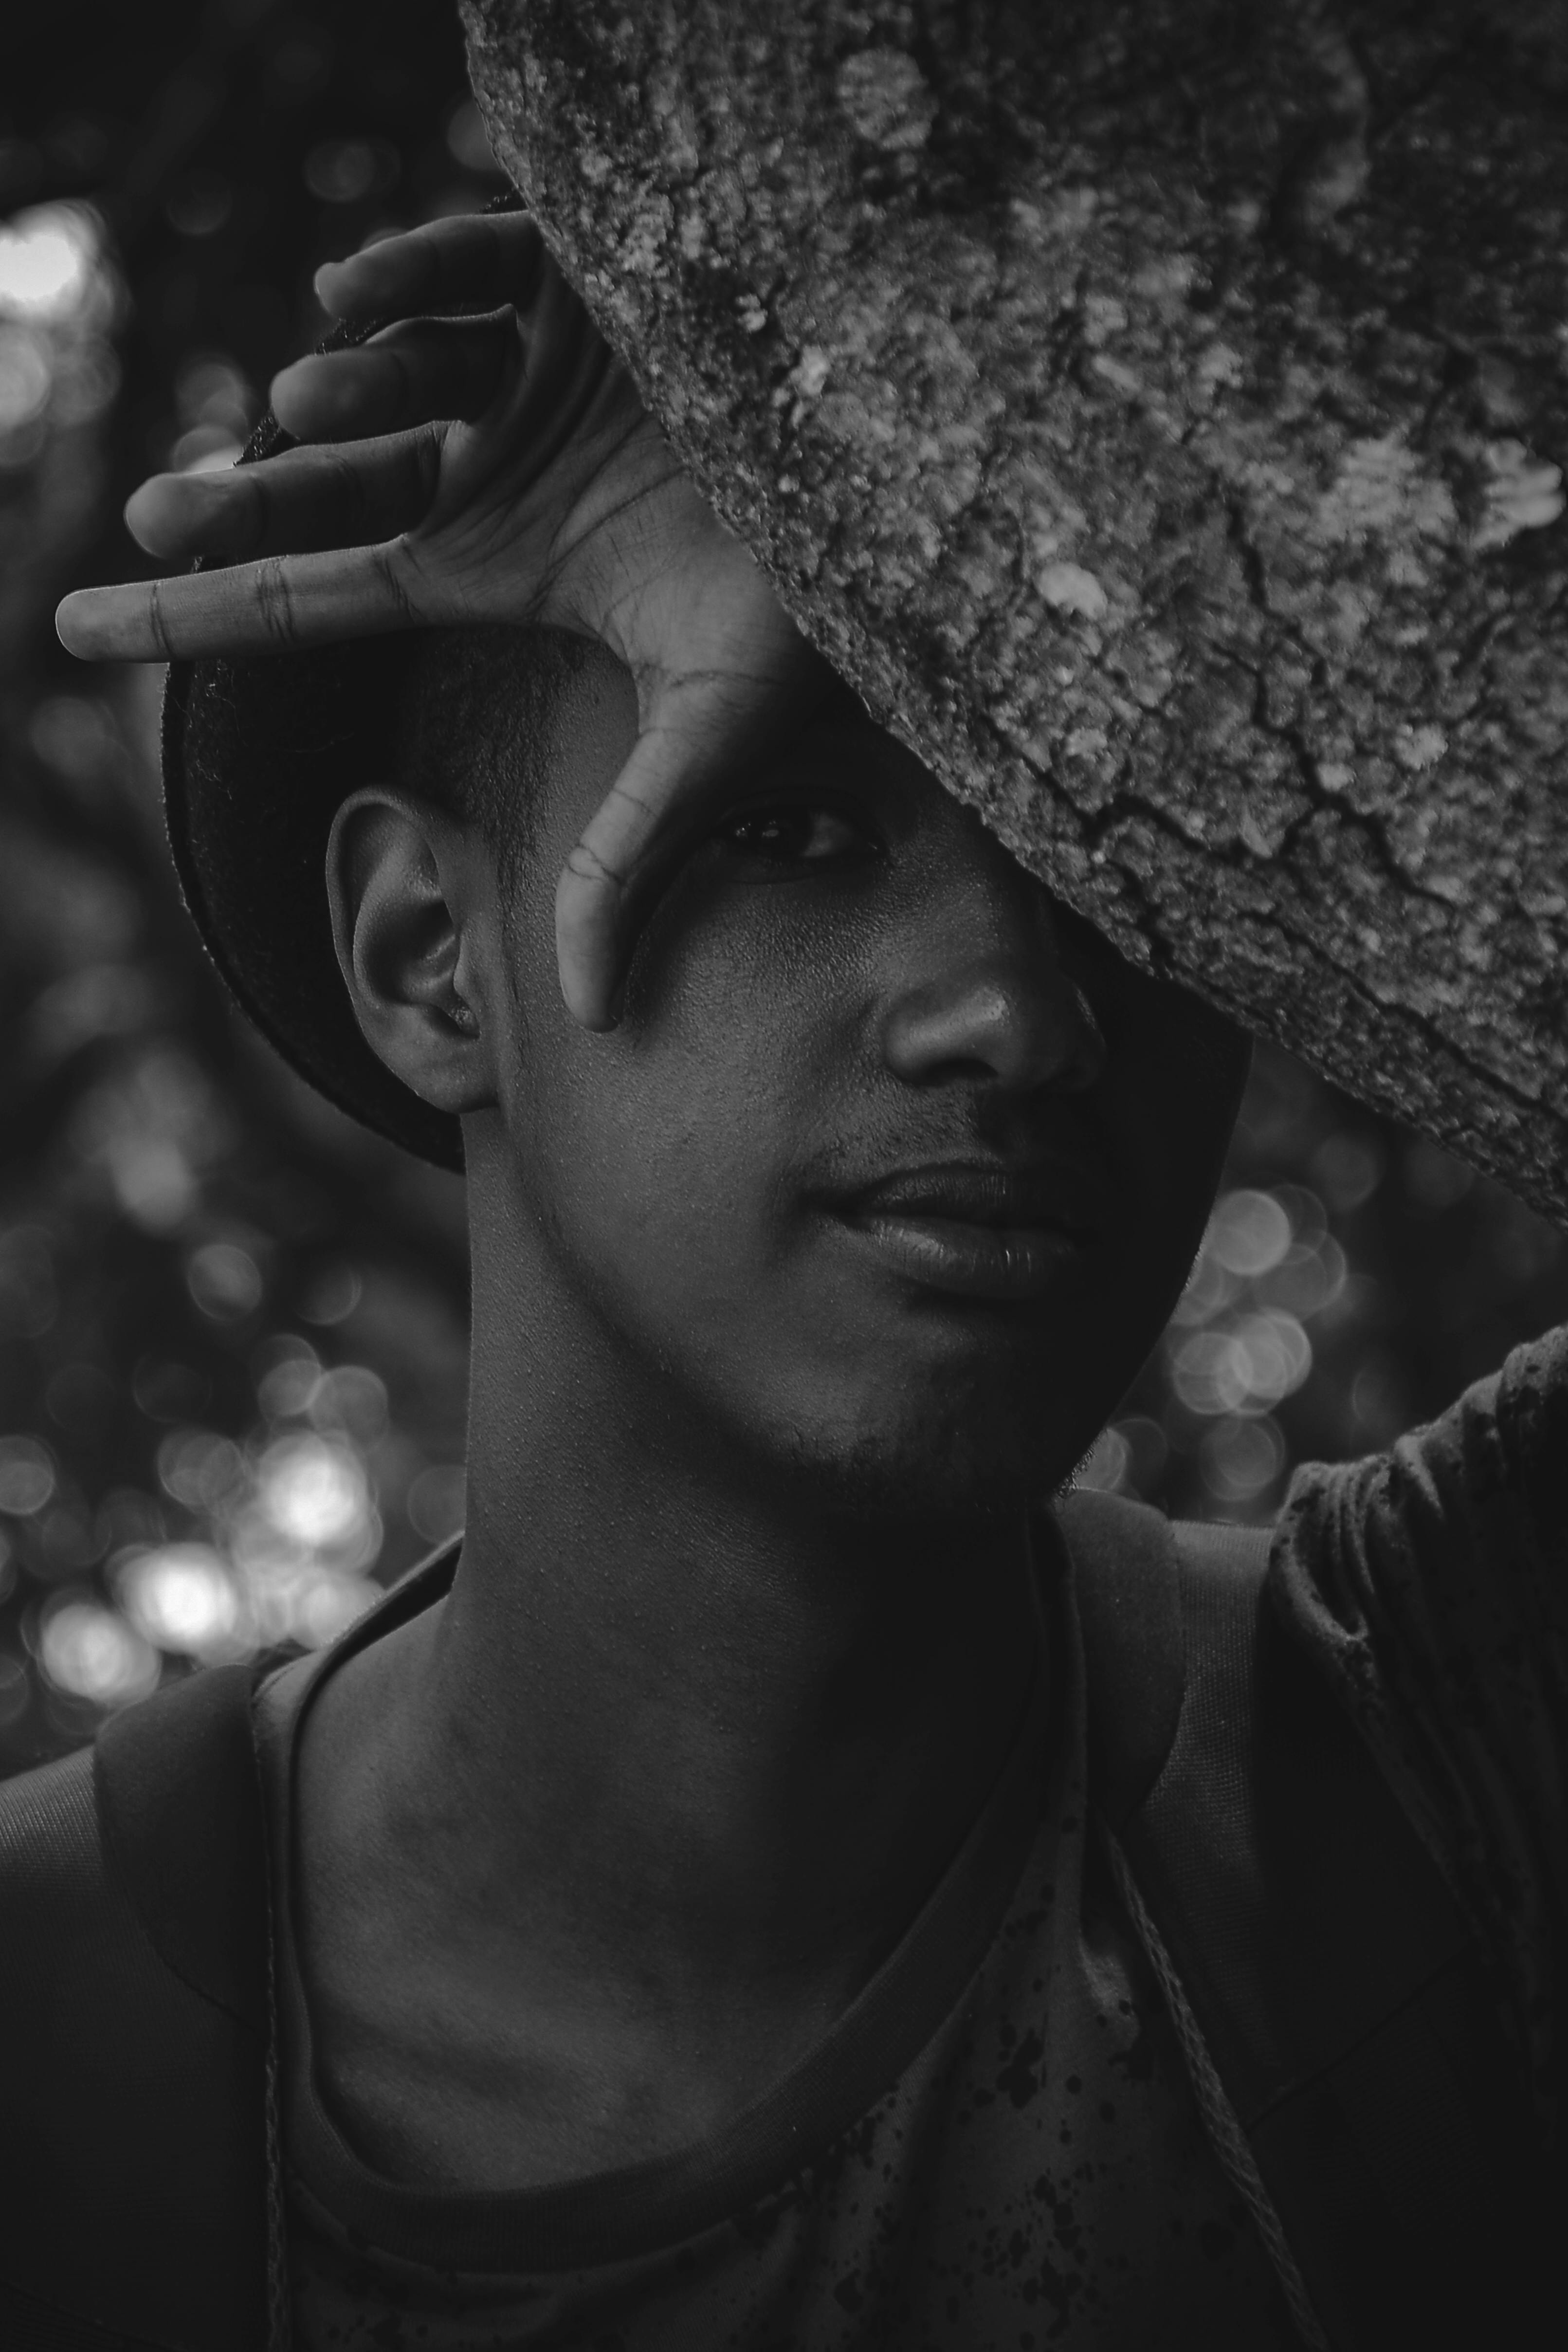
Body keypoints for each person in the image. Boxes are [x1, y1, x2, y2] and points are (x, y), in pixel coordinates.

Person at [5, 204, 1560, 2351]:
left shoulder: (1453, 1724)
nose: (1016, 1011)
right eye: (790, 822)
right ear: (432, 956)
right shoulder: (49, 2044)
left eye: (1111, 842)